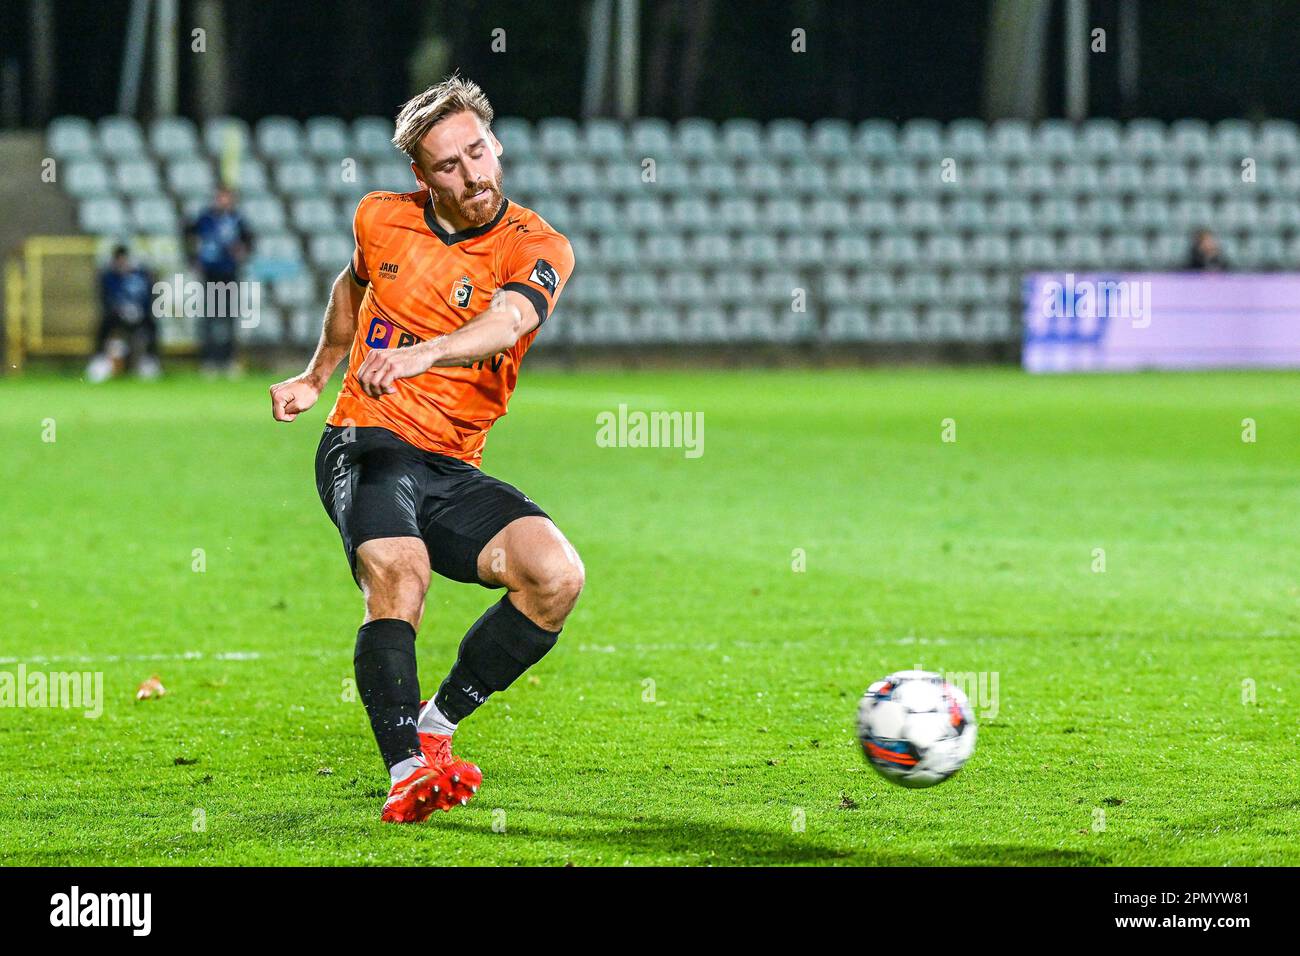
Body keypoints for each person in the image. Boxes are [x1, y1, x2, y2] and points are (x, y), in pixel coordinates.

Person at [267, 76, 582, 823]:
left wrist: (421, 354)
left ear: (495, 143)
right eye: (449, 165)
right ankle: (405, 769)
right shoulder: (381, 217)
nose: (473, 175)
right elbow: (352, 284)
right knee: (401, 573)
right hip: (365, 441)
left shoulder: (537, 246)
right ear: (421, 175)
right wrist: (319, 375)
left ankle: (436, 728)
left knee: (554, 576)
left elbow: (507, 323)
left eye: (478, 152)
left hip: (450, 463)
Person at [186, 185, 252, 375]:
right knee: (208, 317)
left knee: (229, 318)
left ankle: (228, 360)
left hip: (229, 273)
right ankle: (209, 360)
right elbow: (188, 234)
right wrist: (193, 259)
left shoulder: (237, 219)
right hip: (209, 273)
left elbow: (248, 241)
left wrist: (242, 252)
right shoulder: (205, 218)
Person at [86, 244, 159, 383]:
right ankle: (100, 359)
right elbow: (106, 299)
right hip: (117, 314)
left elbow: (148, 297)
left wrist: (139, 309)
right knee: (105, 324)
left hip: (139, 314)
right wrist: (120, 309)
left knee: (151, 324)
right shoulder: (109, 277)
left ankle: (149, 360)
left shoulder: (140, 275)